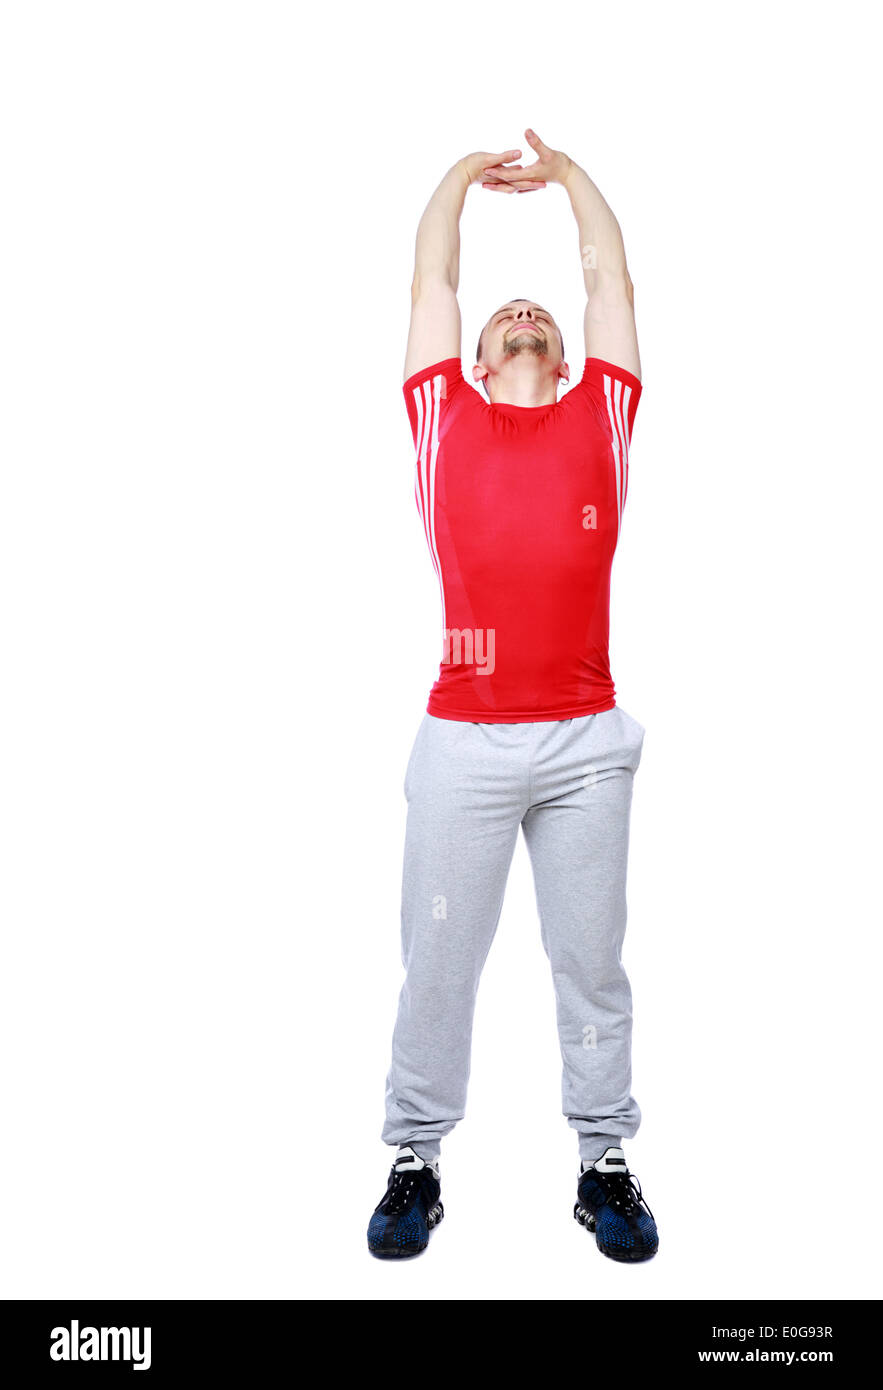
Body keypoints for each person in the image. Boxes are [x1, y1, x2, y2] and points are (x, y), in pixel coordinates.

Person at [367, 130, 658, 1263]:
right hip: (464, 746)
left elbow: (608, 279)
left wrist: (571, 176)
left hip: (587, 742)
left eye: (539, 312)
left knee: (589, 958)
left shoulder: (607, 418)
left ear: (567, 352)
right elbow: (433, 277)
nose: (525, 311)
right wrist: (462, 180)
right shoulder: (445, 416)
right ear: (480, 361)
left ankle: (604, 1161)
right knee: (441, 957)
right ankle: (414, 1157)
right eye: (506, 317)